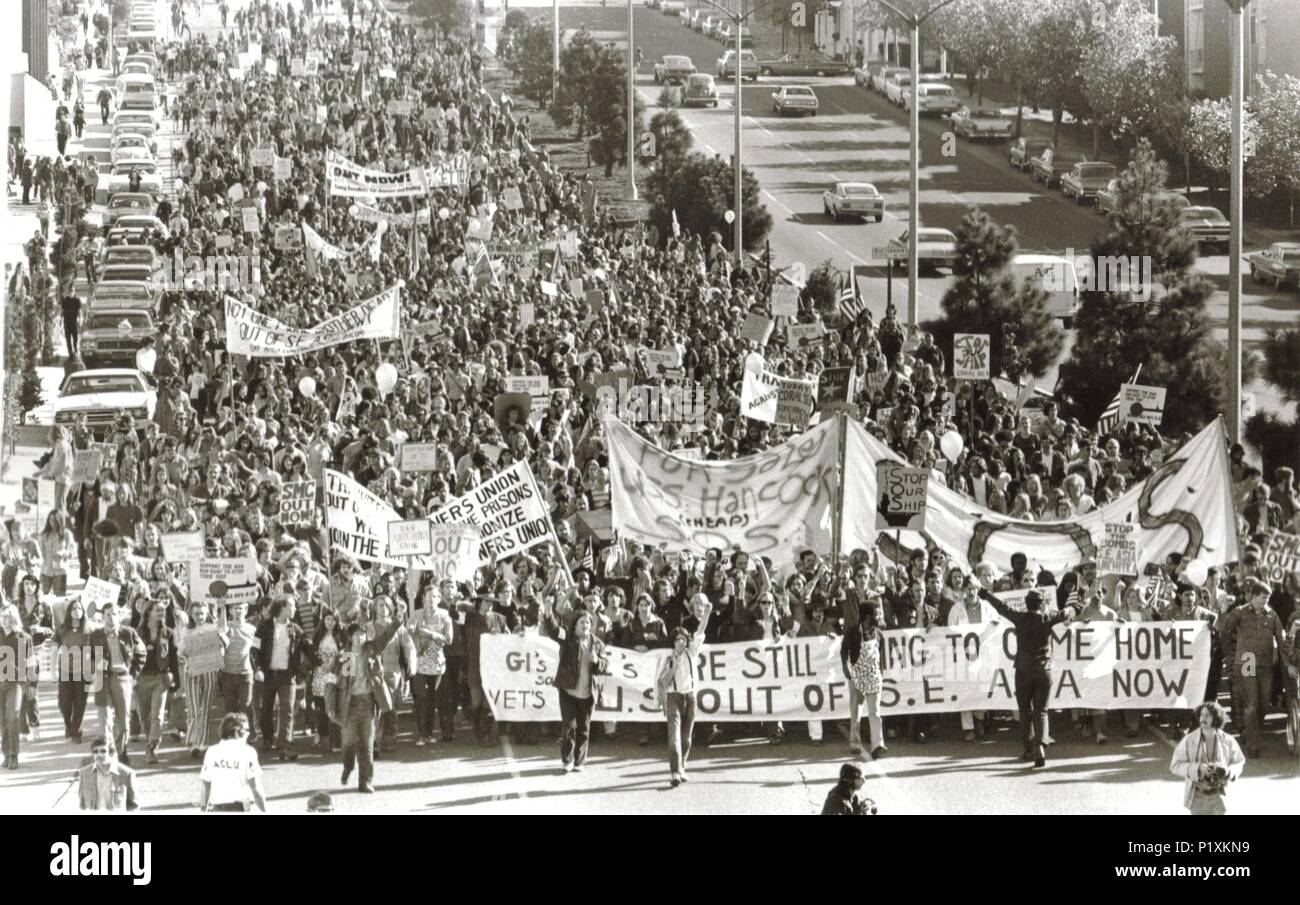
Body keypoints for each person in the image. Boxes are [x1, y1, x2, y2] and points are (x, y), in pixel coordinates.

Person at [983, 588, 1075, 767]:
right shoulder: (1047, 618)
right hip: (1044, 671)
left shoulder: (1020, 618)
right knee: (1041, 710)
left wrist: (986, 595)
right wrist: (1078, 604)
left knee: (1024, 711)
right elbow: (1068, 612)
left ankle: (1028, 749)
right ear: (1041, 604)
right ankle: (1040, 745)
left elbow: (1001, 607)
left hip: (1023, 671)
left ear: (1026, 604)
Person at [333, 614, 403, 793]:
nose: (360, 637)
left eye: (363, 634)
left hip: (368, 704)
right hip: (350, 704)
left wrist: (397, 619)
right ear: (351, 637)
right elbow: (342, 683)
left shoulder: (372, 649)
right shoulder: (346, 656)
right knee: (347, 744)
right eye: (356, 634)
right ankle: (348, 767)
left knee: (367, 745)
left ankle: (365, 782)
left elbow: (386, 636)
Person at [1217, 577, 1286, 758]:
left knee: (1264, 704)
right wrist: (1223, 611)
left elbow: (1281, 638)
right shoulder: (1239, 612)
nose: (1266, 601)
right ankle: (1253, 744)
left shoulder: (1272, 615)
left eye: (1268, 598)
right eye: (1263, 597)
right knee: (1251, 704)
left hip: (1265, 664)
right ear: (1253, 597)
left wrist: (1288, 658)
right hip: (1246, 661)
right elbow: (1223, 628)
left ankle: (1250, 732)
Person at [544, 604, 610, 774]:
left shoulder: (597, 643)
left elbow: (605, 665)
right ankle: (567, 760)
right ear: (575, 625)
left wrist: (597, 661)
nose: (585, 625)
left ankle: (580, 761)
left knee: (583, 729)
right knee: (568, 727)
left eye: (588, 623)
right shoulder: (568, 638)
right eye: (582, 622)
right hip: (568, 691)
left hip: (588, 693)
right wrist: (548, 612)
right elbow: (553, 630)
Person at [654, 607, 709, 787]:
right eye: (677, 639)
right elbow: (663, 681)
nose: (681, 642)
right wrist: (674, 667)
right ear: (673, 642)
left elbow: (700, 631)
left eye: (683, 639)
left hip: (690, 697)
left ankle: (682, 766)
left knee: (687, 738)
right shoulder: (668, 658)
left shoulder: (691, 653)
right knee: (674, 737)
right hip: (673, 698)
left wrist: (707, 612)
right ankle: (675, 772)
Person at [88, 601, 146, 765]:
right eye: (108, 614)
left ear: (119, 616)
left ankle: (121, 750)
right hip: (102, 679)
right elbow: (88, 658)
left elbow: (142, 653)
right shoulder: (95, 635)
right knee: (104, 718)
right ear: (102, 617)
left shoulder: (129, 633)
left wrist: (133, 675)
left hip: (122, 678)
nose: (111, 617)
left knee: (123, 720)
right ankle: (109, 751)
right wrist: (96, 666)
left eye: (114, 614)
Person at [1169, 701, 1245, 815]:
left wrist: (1228, 771)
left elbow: (1239, 761)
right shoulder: (1190, 739)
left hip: (1220, 795)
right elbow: (1175, 765)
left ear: (1216, 718)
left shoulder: (1228, 740)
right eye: (1201, 715)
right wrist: (1198, 768)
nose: (1203, 718)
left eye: (1207, 715)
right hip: (1198, 796)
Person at [255, 597, 305, 760]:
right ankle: (268, 739)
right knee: (266, 708)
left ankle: (285, 746)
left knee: (287, 710)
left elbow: (307, 646)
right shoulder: (264, 626)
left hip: (287, 675)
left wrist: (319, 659)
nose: (295, 608)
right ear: (283, 607)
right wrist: (257, 669)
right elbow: (254, 650)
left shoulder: (295, 629)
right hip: (268, 674)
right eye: (292, 605)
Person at [135, 599, 180, 764]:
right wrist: (131, 677)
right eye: (158, 610)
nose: (161, 613)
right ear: (149, 612)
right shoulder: (138, 633)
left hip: (160, 678)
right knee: (144, 717)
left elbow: (174, 659)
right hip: (141, 679)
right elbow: (131, 657)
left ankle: (152, 748)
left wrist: (175, 681)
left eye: (163, 610)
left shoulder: (168, 633)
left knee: (157, 716)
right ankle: (149, 740)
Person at [199, 713, 268, 812]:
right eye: (247, 730)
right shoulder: (248, 752)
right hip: (239, 809)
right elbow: (255, 787)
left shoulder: (211, 751)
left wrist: (203, 810)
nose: (249, 733)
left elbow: (205, 784)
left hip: (217, 809)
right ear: (237, 731)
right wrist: (265, 811)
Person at [0, 606, 38, 769]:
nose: (3, 620)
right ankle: (6, 753)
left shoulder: (24, 638)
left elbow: (31, 664)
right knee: (2, 721)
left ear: (14, 618)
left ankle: (14, 755)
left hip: (15, 683)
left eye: (7, 617)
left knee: (13, 717)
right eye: (2, 617)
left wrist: (32, 685)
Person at [180, 601, 218, 758]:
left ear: (207, 613)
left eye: (202, 613)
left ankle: (201, 743)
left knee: (206, 708)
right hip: (192, 670)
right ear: (191, 614)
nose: (199, 617)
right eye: (196, 614)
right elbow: (181, 651)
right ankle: (192, 739)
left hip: (210, 669)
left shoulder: (213, 627)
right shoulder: (187, 630)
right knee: (194, 708)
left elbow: (224, 642)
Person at [54, 600, 92, 741]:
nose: (77, 611)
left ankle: (76, 730)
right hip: (65, 671)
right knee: (64, 701)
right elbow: (53, 647)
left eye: (80, 608)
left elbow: (95, 650)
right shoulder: (61, 629)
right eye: (74, 608)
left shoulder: (89, 631)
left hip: (83, 671)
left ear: (83, 612)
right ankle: (68, 725)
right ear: (69, 611)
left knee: (80, 702)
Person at [79, 736, 139, 810]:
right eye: (95, 752)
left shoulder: (126, 774)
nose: (99, 755)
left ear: (111, 753)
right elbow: (82, 805)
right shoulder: (84, 773)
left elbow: (133, 805)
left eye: (103, 751)